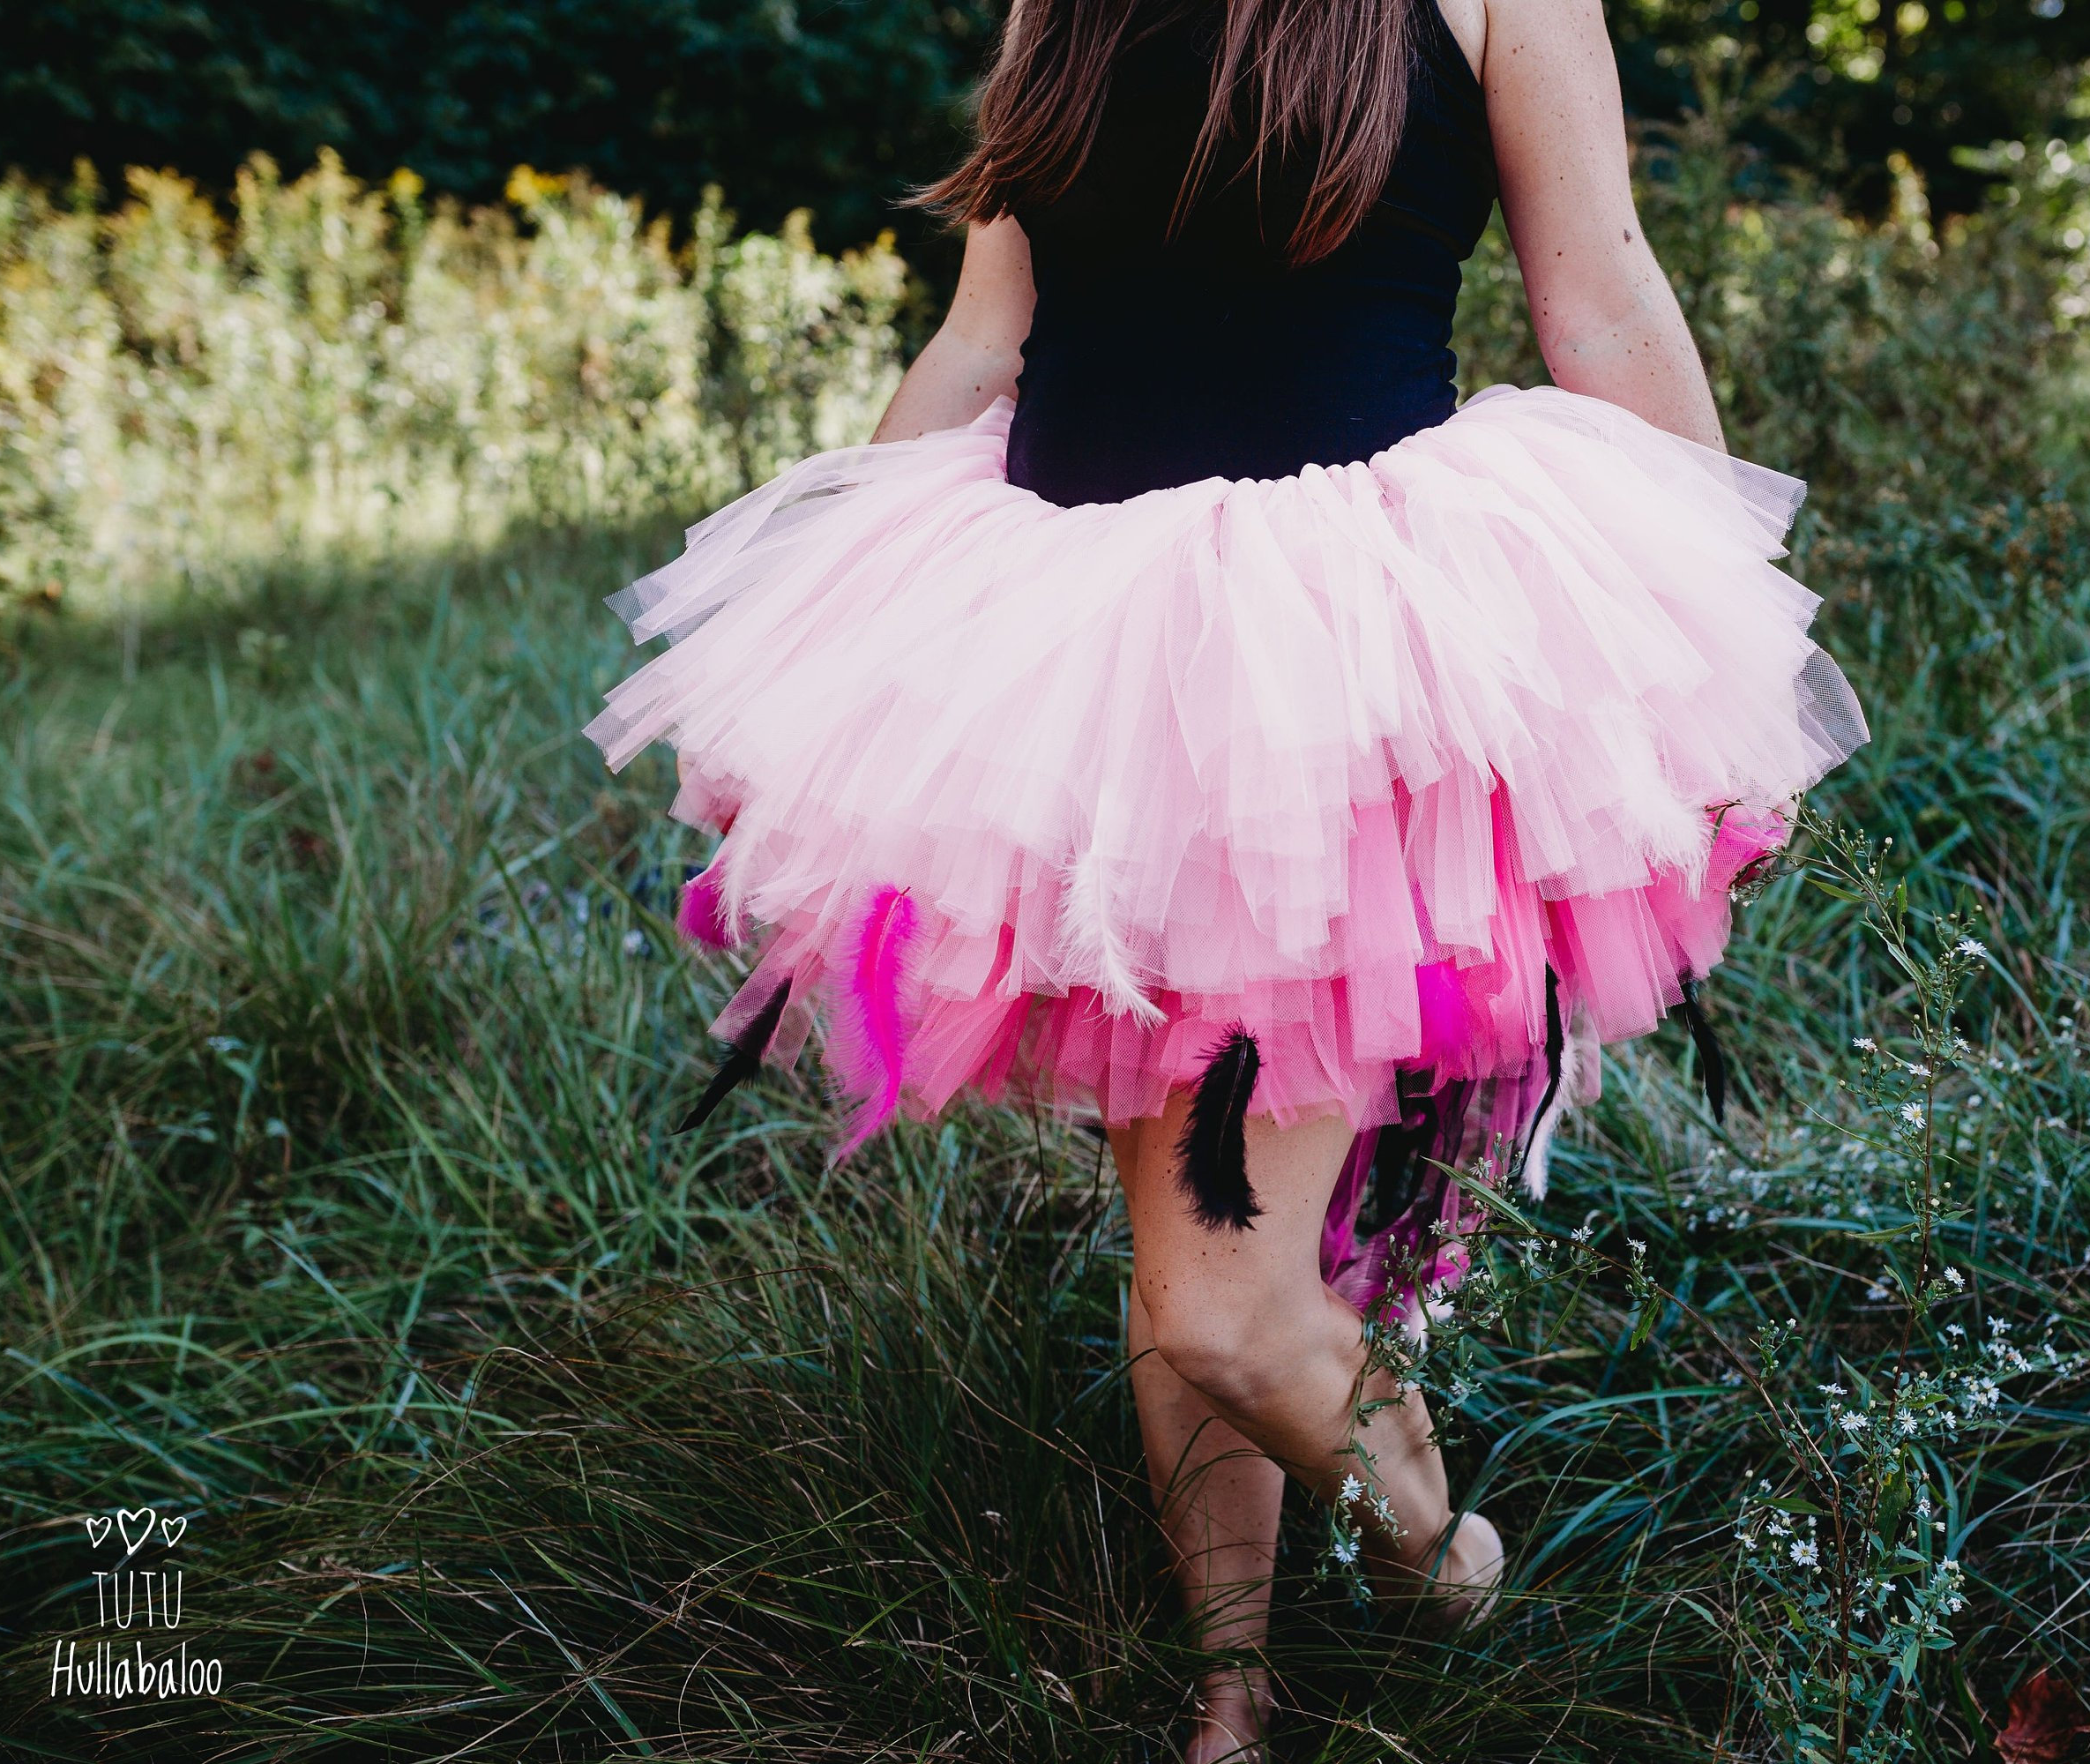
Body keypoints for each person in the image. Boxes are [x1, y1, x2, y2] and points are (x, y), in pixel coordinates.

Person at [586, 0, 1865, 1754]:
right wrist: (849, 638)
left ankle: (1450, 1562)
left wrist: (1714, 645)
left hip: (1336, 674)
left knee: (1223, 1296)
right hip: (1088, 666)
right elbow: (986, 332)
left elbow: (1607, 294)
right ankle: (1231, 1698)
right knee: (1175, 1244)